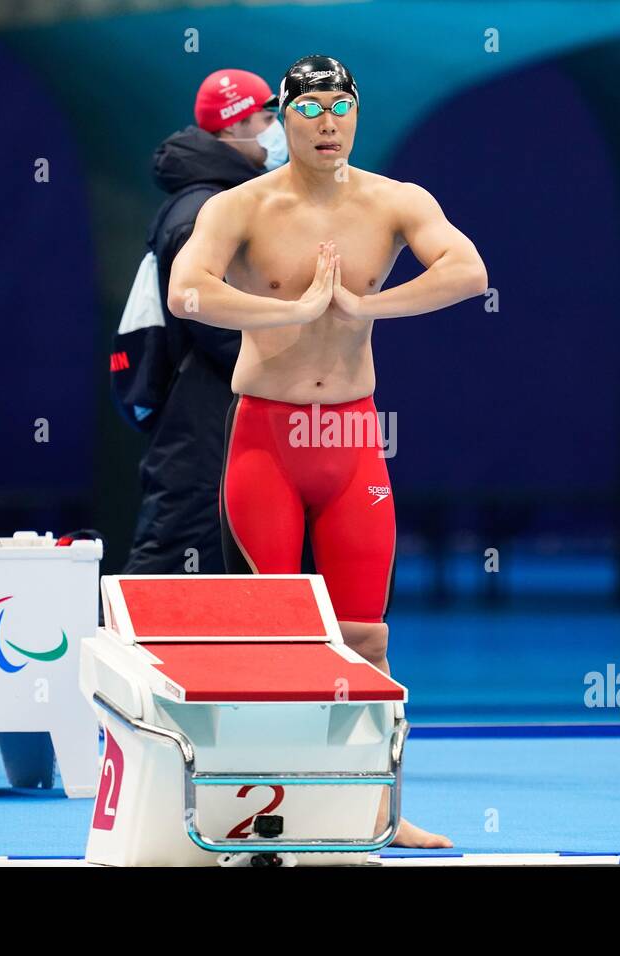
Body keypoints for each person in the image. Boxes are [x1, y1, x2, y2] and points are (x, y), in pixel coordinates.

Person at [167, 54, 488, 847]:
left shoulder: (393, 201)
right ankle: (263, 801)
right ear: (283, 118)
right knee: (271, 635)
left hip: (350, 439)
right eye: (309, 111)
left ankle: (380, 807)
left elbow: (468, 270)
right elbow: (187, 289)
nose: (327, 124)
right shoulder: (242, 205)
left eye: (340, 107)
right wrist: (286, 313)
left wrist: (366, 302)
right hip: (267, 440)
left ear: (355, 114)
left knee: (365, 633)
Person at [117, 68, 285, 574]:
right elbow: (209, 316)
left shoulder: (219, 201)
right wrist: (293, 363)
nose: (277, 128)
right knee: (175, 555)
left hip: (217, 404)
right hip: (203, 413)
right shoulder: (203, 211)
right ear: (234, 127)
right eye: (267, 116)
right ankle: (128, 652)